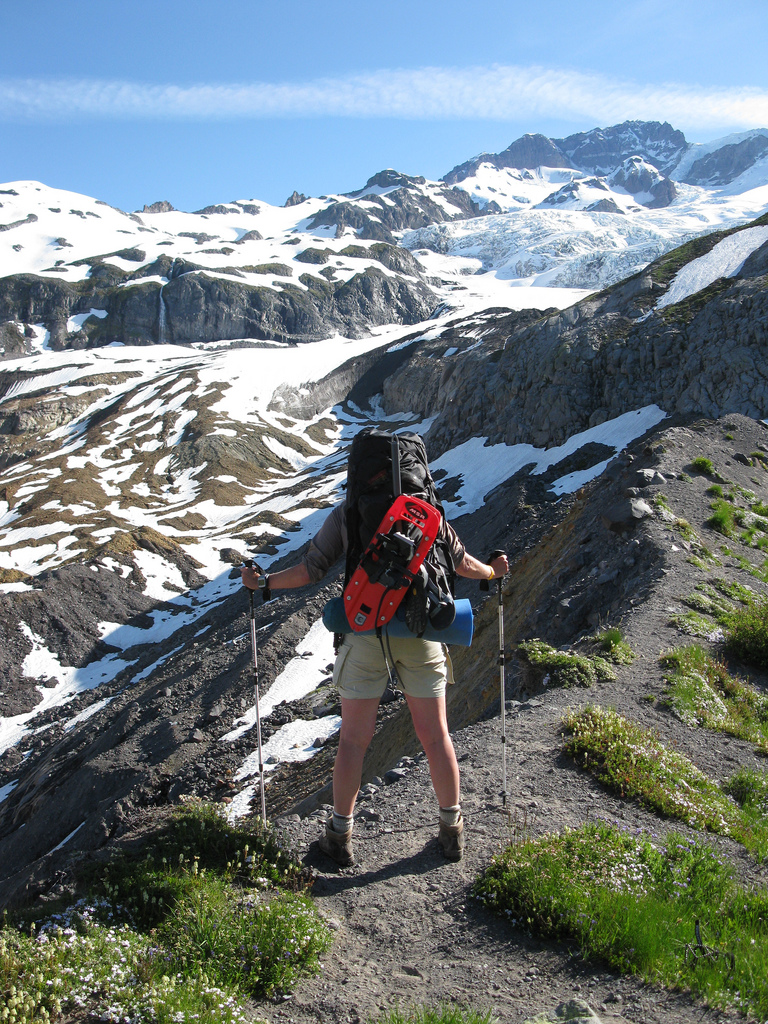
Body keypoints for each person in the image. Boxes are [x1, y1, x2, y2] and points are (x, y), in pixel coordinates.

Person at [241, 498, 508, 867]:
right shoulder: (426, 510)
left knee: (352, 740)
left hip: (365, 630)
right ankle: (451, 831)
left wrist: (265, 582)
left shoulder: (350, 510)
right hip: (422, 630)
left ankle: (339, 836)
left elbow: (311, 569)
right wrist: (493, 572)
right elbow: (463, 564)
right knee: (435, 736)